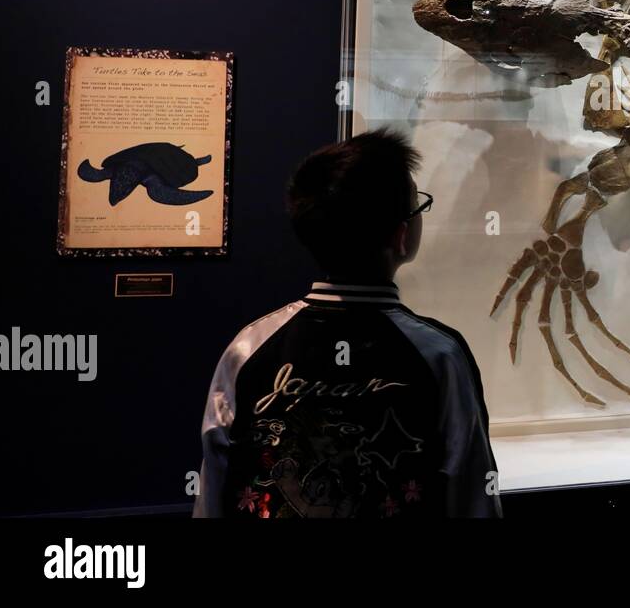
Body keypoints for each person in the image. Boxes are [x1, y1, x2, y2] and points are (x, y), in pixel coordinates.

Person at [192, 128, 501, 518]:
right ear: (401, 236)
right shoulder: (440, 354)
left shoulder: (249, 347)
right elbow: (473, 493)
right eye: (417, 207)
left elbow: (214, 488)